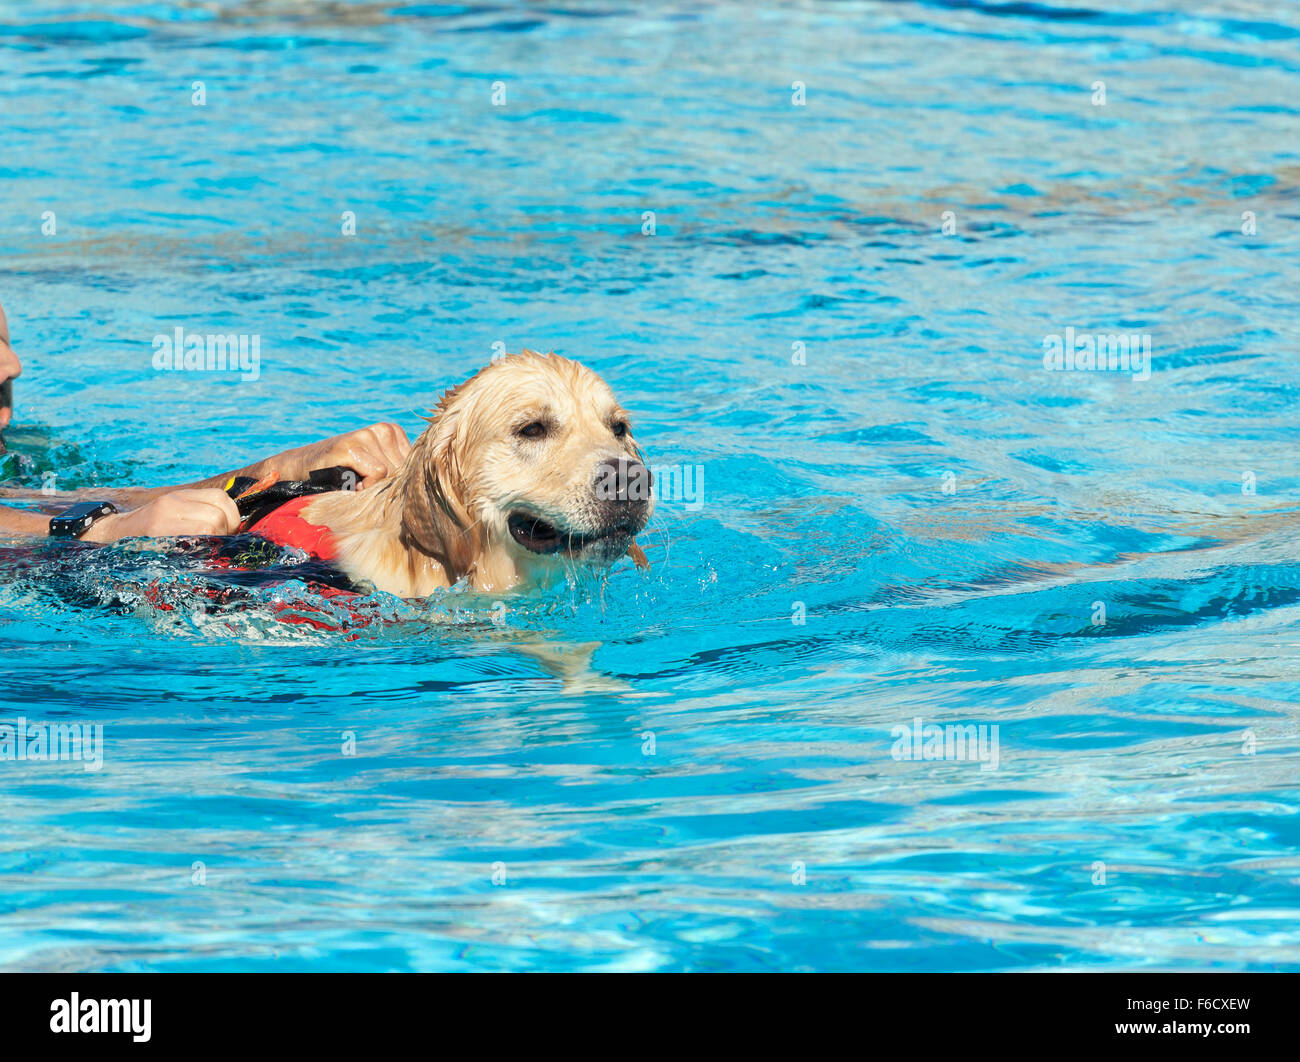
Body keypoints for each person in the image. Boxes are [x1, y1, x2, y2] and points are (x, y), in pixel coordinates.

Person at [0, 299, 411, 542]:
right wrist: (103, 534)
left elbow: (49, 502)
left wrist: (274, 474)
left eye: (2, 341)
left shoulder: (32, 454)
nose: (13, 365)